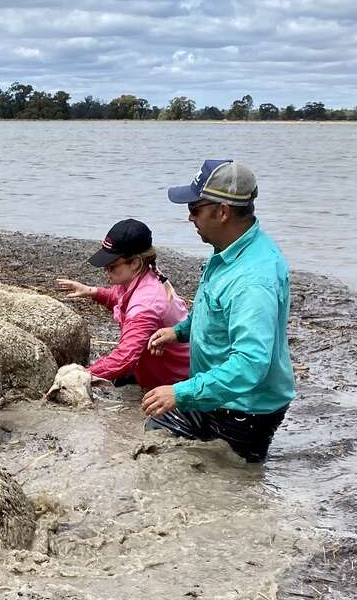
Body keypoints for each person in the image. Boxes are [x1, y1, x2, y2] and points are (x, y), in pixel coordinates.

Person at [141, 159, 295, 463]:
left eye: (195, 209)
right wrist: (179, 331)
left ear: (222, 212)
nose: (189, 217)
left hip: (246, 408)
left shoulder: (253, 280)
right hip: (215, 393)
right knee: (157, 442)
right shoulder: (228, 251)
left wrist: (180, 393)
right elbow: (214, 308)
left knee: (233, 482)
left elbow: (251, 364)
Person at [57, 220, 189, 388]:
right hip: (156, 367)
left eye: (112, 266)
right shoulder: (144, 274)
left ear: (135, 263)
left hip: (175, 382)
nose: (106, 271)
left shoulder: (146, 304)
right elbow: (121, 298)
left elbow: (124, 359)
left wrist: (81, 375)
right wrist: (92, 292)